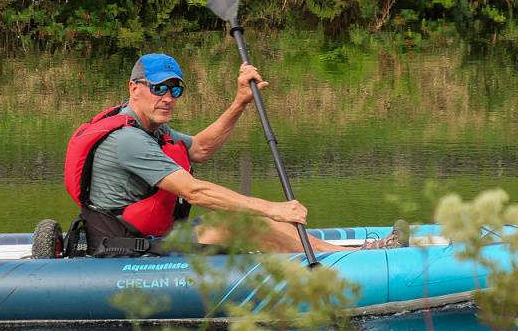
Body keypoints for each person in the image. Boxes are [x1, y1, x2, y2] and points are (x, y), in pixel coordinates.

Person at [64, 53, 405, 254]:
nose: (167, 97)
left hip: (156, 233)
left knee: (258, 218)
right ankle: (350, 264)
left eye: (175, 89)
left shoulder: (151, 126)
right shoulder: (127, 139)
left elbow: (199, 148)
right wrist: (275, 208)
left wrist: (241, 101)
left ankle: (350, 255)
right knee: (243, 223)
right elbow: (194, 191)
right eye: (157, 88)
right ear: (133, 88)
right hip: (128, 247)